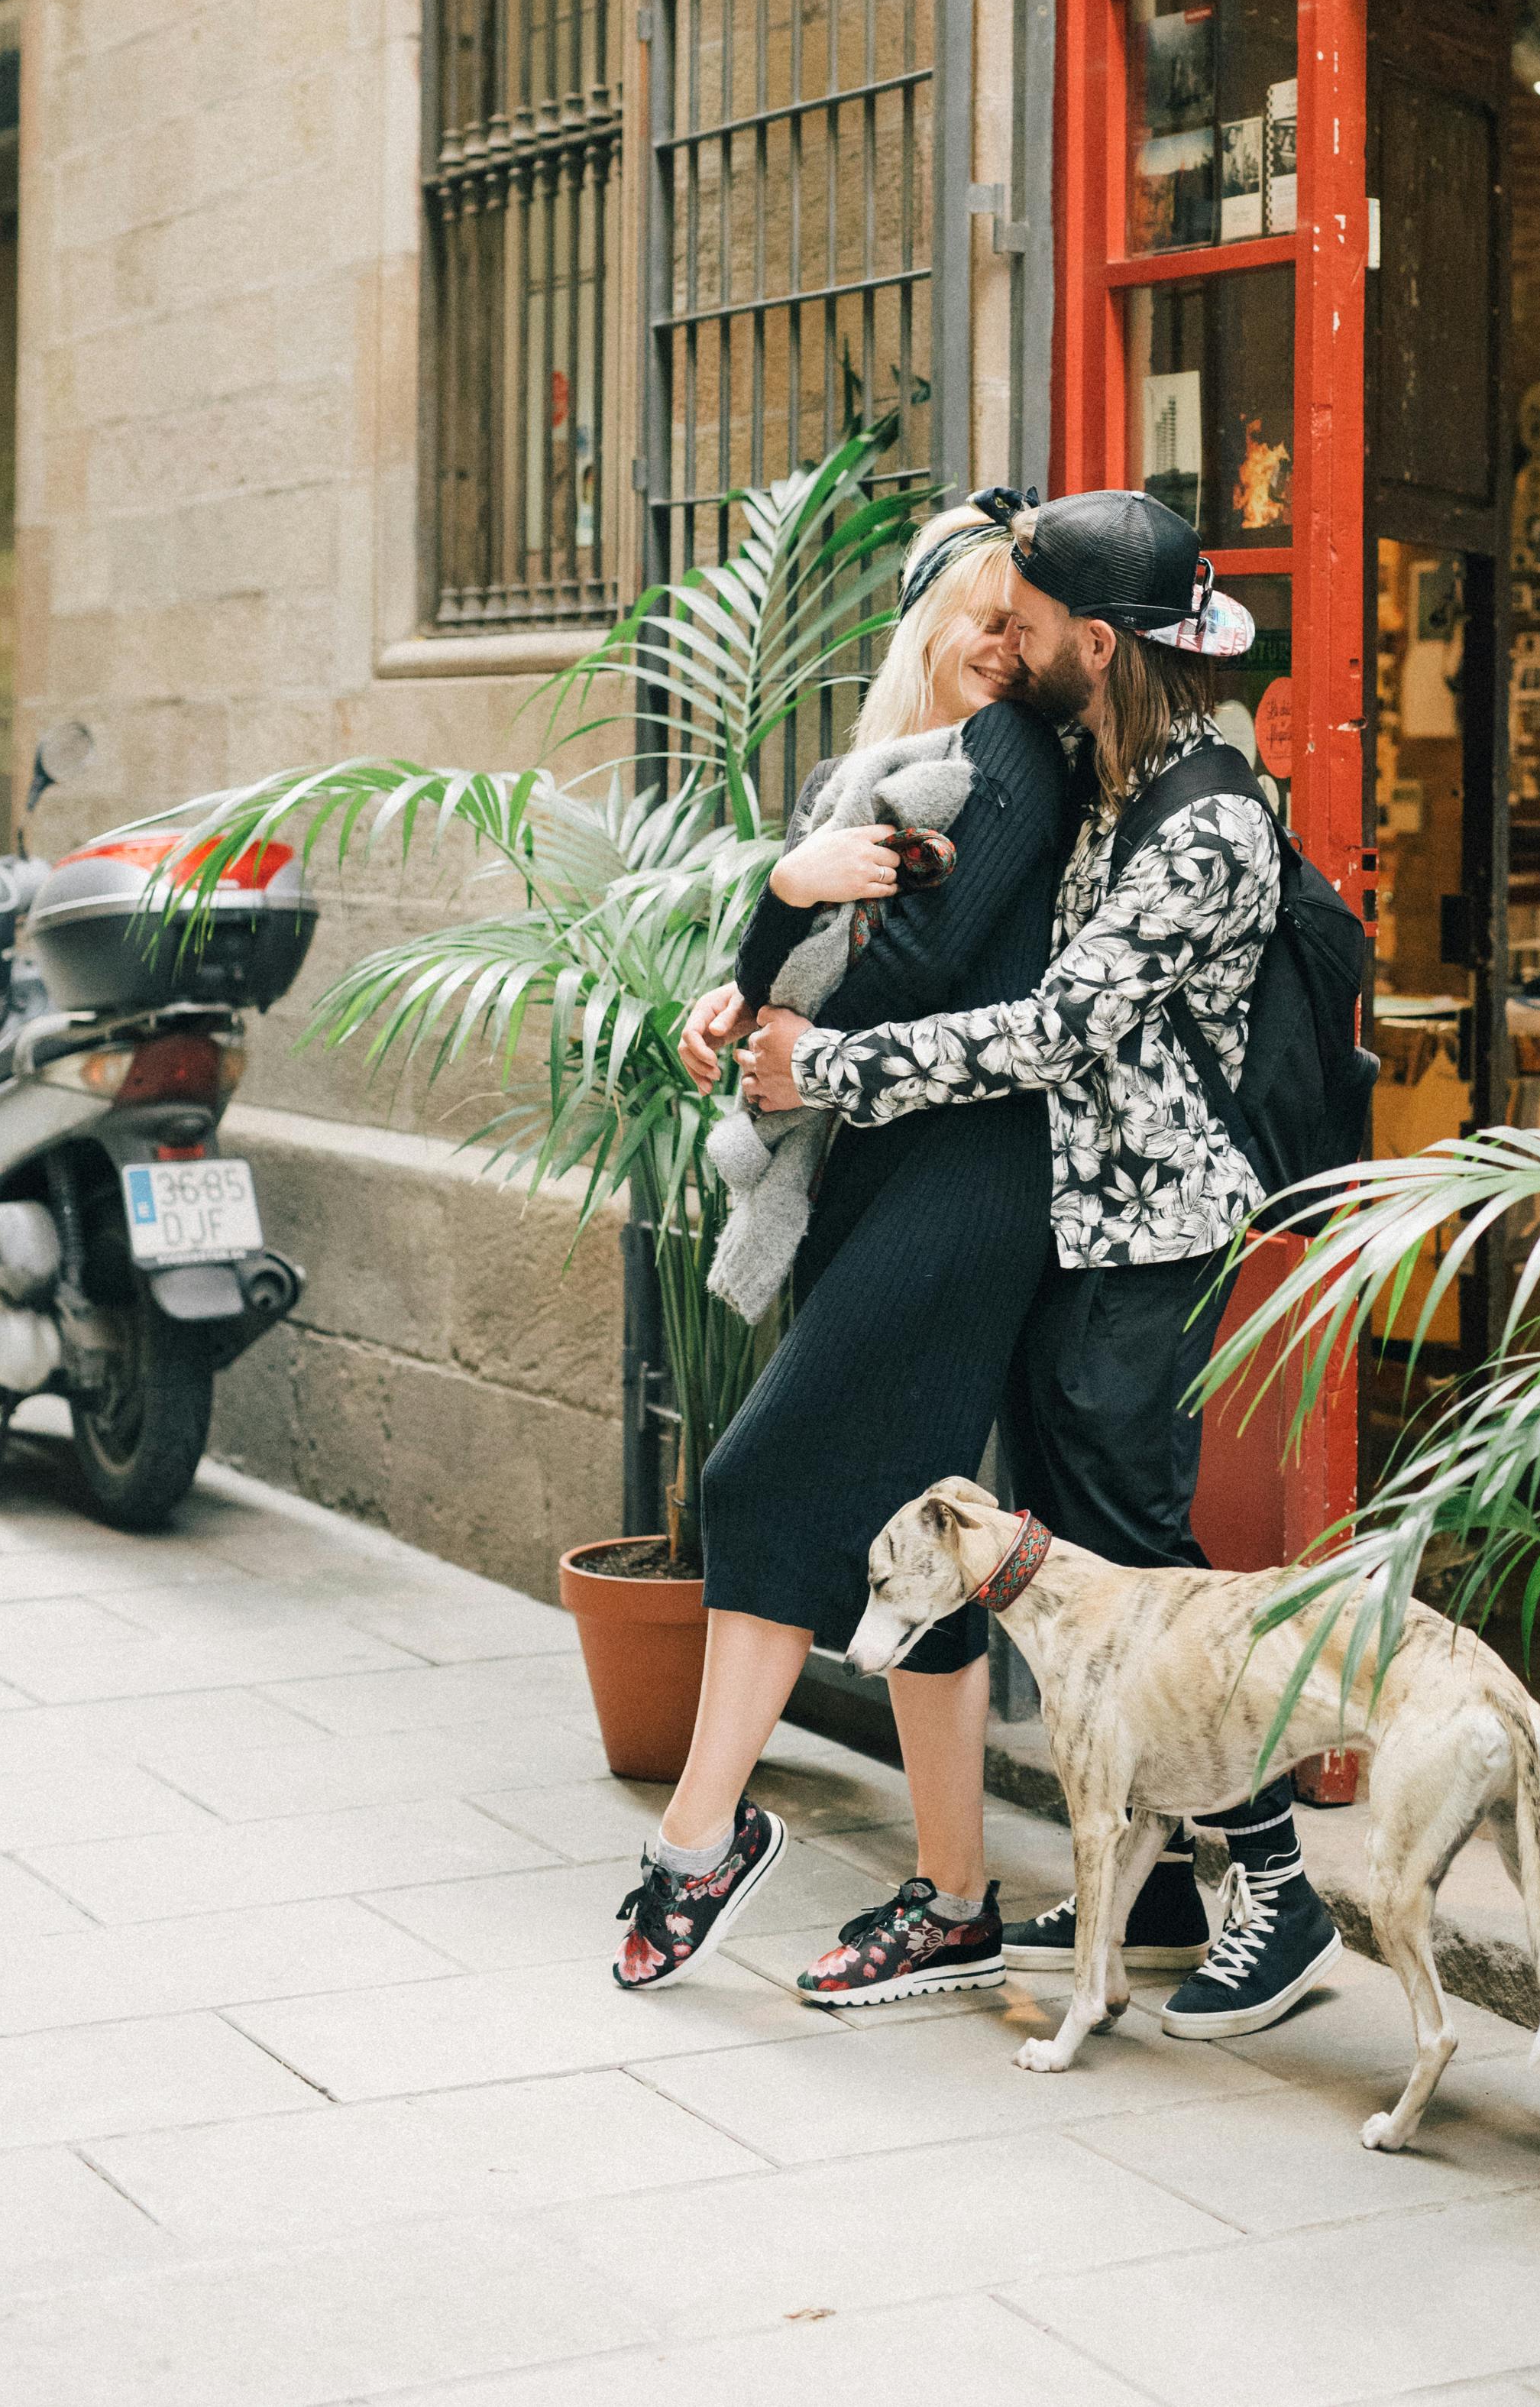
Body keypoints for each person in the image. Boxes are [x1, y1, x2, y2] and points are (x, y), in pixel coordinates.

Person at [741, 489, 1343, 2040]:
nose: (992, 649)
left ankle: (1274, 1888)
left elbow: (1052, 1031)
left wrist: (830, 1072)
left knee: (1144, 1560)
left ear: (1092, 642)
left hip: (1155, 1240)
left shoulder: (1207, 820)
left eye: (1017, 625)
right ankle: (1152, 1884)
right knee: (1082, 1549)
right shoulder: (1112, 768)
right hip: (1079, 1229)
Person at [610, 497, 1074, 2006]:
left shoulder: (1005, 763)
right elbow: (815, 962)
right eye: (982, 617)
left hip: (969, 1178)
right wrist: (740, 995)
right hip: (881, 1170)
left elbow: (923, 972)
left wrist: (790, 939)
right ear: (928, 615)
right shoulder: (881, 776)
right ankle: (951, 1898)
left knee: (754, 1478)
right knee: (912, 1536)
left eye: (1028, 623)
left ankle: (698, 1840)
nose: (1002, 648)